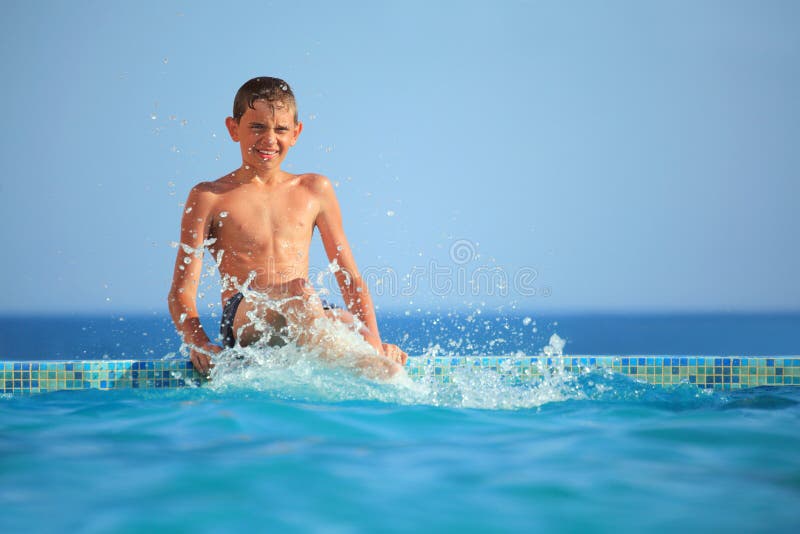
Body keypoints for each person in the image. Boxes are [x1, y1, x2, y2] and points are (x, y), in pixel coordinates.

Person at [167, 77, 407, 379]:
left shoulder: (314, 189)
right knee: (301, 293)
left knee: (348, 324)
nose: (269, 139)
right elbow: (181, 291)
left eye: (280, 129)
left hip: (307, 311)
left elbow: (350, 278)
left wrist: (375, 341)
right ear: (233, 128)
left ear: (296, 133)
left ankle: (375, 363)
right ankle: (370, 368)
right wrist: (199, 343)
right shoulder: (209, 197)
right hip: (247, 315)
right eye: (257, 127)